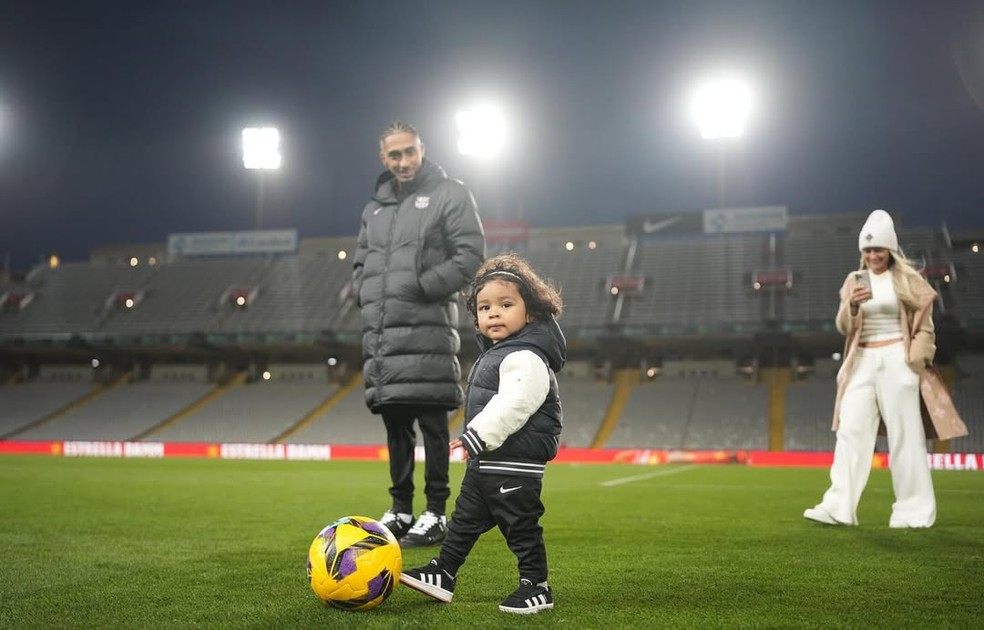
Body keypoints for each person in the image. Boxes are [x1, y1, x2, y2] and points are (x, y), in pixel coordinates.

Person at [400, 253, 566, 614]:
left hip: (515, 465)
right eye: (484, 306)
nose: (493, 313)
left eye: (506, 304)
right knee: (462, 522)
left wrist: (478, 435)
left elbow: (515, 402)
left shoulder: (527, 355)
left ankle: (536, 585)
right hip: (487, 464)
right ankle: (444, 572)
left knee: (521, 528)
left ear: (531, 312)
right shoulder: (498, 354)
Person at [353, 121, 485, 547]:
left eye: (410, 152)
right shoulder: (374, 207)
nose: (404, 162)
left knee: (431, 424)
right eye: (395, 155)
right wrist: (366, 294)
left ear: (422, 150)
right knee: (395, 424)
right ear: (383, 159)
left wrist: (420, 287)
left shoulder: (451, 193)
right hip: (384, 335)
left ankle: (434, 513)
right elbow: (361, 262)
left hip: (428, 329)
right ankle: (401, 510)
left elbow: (469, 257)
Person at [804, 209, 942, 528]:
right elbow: (843, 327)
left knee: (906, 435)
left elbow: (925, 327)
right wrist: (851, 305)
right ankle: (839, 507)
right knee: (850, 430)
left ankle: (913, 511)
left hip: (898, 358)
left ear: (890, 249)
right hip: (862, 359)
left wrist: (915, 362)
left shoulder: (908, 280)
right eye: (867, 250)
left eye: (878, 249)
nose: (872, 255)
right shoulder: (854, 280)